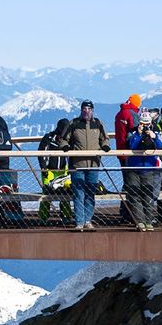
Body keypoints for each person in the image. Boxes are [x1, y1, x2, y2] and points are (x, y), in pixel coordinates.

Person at [59, 99, 111, 231]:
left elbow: (105, 138)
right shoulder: (74, 123)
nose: (86, 112)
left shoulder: (98, 124)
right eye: (84, 109)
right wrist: (65, 146)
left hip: (93, 163)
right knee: (78, 193)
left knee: (90, 193)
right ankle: (79, 222)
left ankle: (88, 220)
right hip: (77, 164)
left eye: (89, 109)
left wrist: (105, 146)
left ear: (92, 111)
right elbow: (63, 138)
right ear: (81, 110)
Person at [126, 111, 162, 231]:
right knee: (135, 195)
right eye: (143, 123)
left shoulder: (156, 132)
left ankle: (148, 221)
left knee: (148, 195)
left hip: (149, 167)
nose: (145, 126)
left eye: (147, 123)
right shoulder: (133, 133)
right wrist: (138, 134)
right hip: (134, 167)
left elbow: (161, 146)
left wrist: (154, 136)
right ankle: (140, 221)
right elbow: (132, 146)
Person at [37, 118, 72, 223]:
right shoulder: (49, 138)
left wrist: (70, 168)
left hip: (63, 170)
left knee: (65, 193)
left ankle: (66, 216)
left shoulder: (69, 139)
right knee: (46, 194)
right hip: (49, 170)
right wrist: (43, 168)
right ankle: (43, 217)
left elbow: (72, 154)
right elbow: (41, 152)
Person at [114, 94, 141, 166]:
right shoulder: (132, 114)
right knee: (131, 175)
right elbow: (136, 129)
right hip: (130, 150)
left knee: (125, 174)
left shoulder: (119, 113)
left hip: (120, 149)